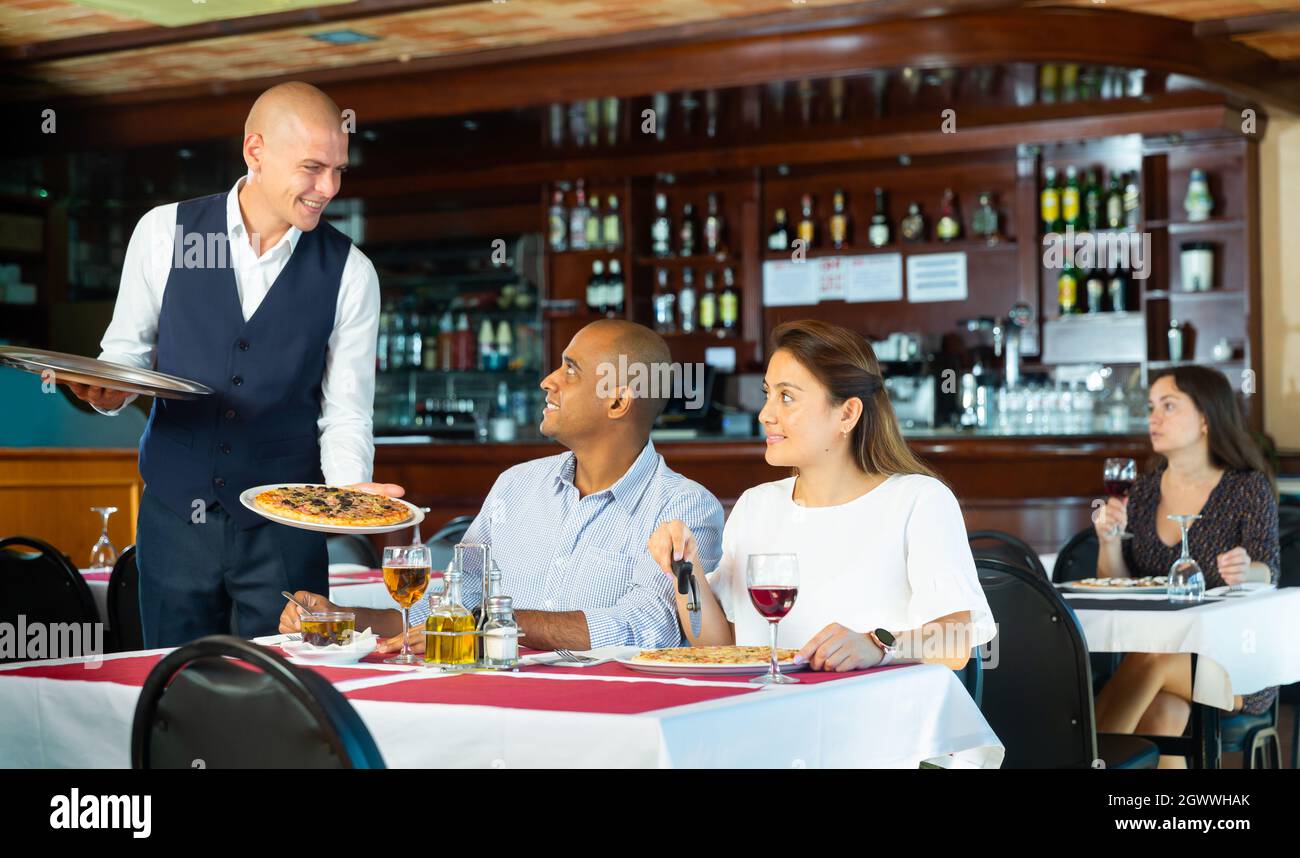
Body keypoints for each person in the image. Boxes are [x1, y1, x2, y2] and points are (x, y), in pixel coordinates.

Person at [67, 82, 402, 647]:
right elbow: (122, 358)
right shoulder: (163, 233)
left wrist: (347, 497)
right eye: (313, 168)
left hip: (286, 528)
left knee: (287, 696)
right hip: (174, 517)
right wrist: (108, 392)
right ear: (255, 151)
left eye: (339, 170)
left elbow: (345, 413)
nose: (329, 188)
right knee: (175, 686)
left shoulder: (351, 271)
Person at [280, 319, 724, 651]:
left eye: (571, 370)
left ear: (618, 400)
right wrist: (343, 617)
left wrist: (493, 623)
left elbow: (649, 626)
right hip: (486, 700)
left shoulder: (684, 507)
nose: (547, 381)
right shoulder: (515, 486)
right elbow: (450, 609)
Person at [647, 320, 994, 672]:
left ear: (847, 413)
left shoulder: (919, 501)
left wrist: (876, 645)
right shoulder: (756, 506)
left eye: (787, 397)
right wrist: (686, 570)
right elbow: (721, 647)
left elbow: (956, 641)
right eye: (768, 394)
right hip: (767, 717)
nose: (766, 414)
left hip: (880, 719)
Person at [1093, 366, 1279, 767]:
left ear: (1207, 419)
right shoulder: (1142, 491)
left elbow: (1270, 573)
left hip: (1236, 663)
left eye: (1169, 406)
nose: (1154, 418)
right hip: (1162, 657)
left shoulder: (1246, 488)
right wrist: (1109, 543)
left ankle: (1084, 759)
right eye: (1151, 407)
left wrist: (1247, 570)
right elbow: (1121, 584)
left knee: (1156, 655)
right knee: (1165, 715)